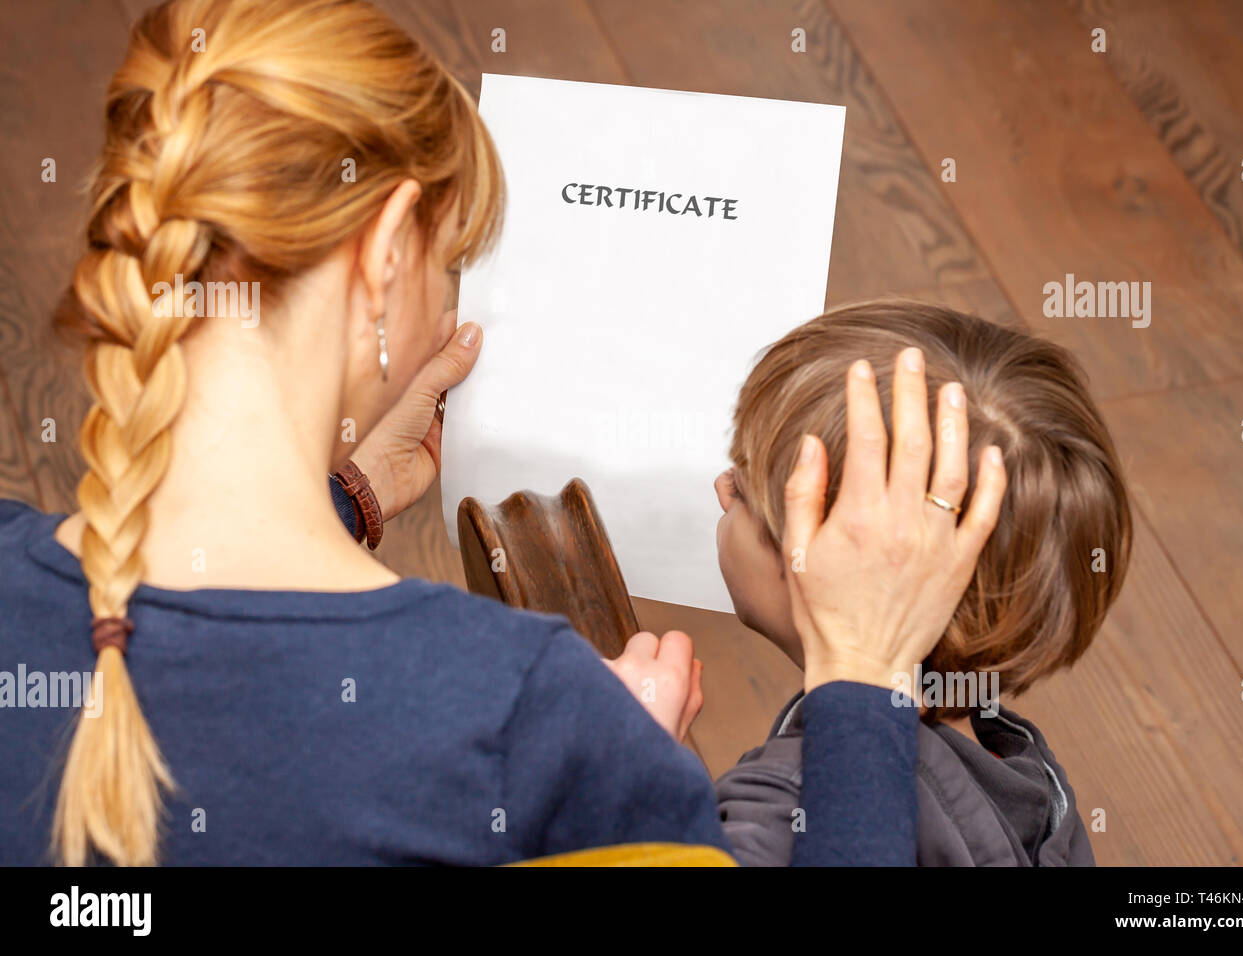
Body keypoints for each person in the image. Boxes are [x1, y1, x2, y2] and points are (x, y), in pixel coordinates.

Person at [0, 0, 1005, 866]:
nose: (454, 310)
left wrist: (341, 499)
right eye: (457, 263)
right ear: (389, 248)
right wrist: (858, 679)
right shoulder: (522, 712)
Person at [713, 300, 1131, 865]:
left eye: (743, 492)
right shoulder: (1023, 782)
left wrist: (623, 766)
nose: (721, 488)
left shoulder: (775, 816)